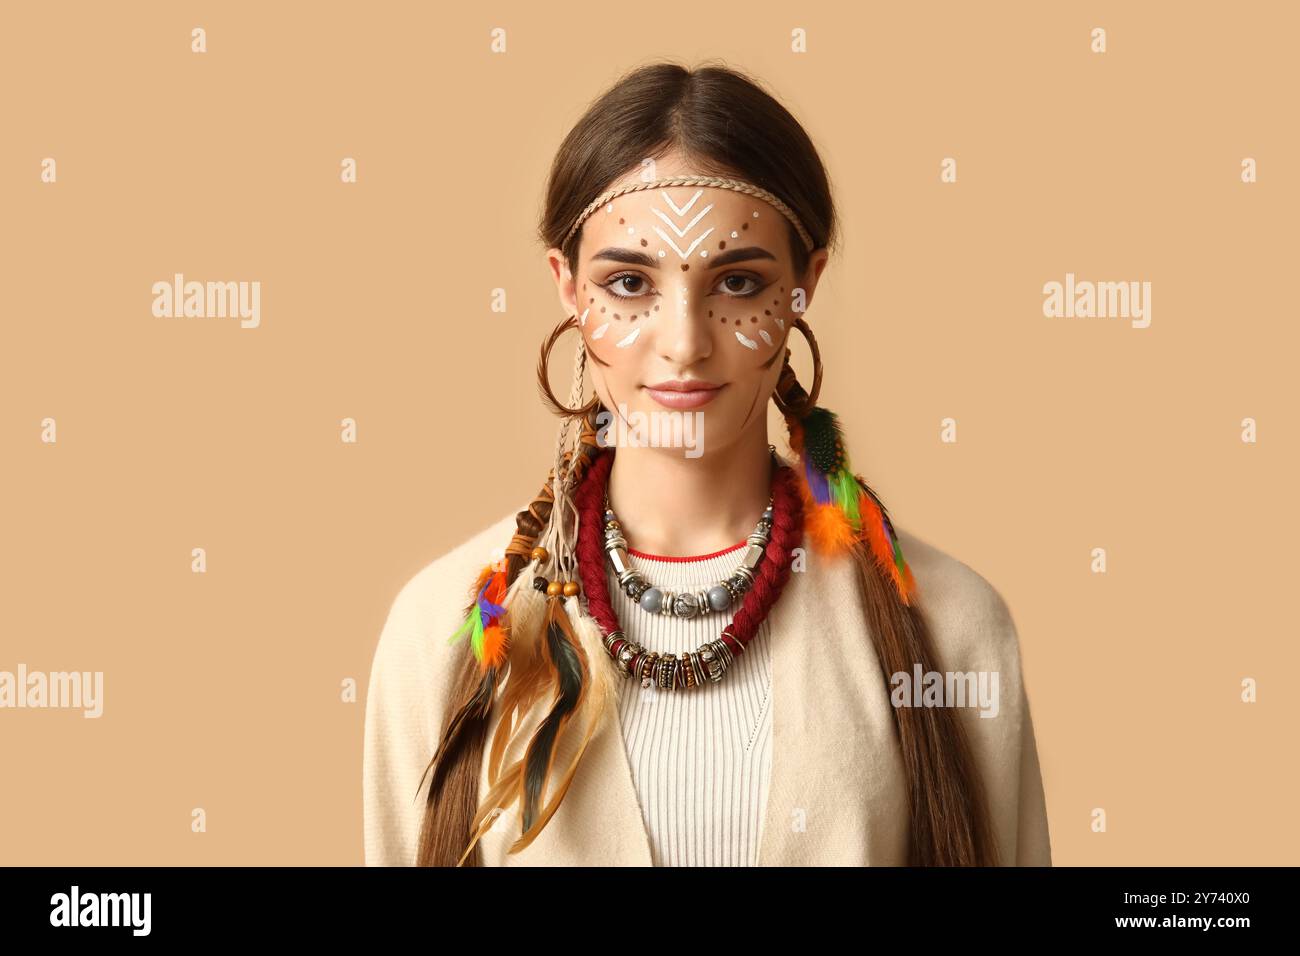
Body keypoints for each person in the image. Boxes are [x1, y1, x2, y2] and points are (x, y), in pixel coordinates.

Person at [363, 62, 1051, 867]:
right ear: (567, 288)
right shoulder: (440, 633)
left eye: (737, 282)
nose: (685, 343)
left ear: (804, 285)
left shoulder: (952, 627)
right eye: (628, 282)